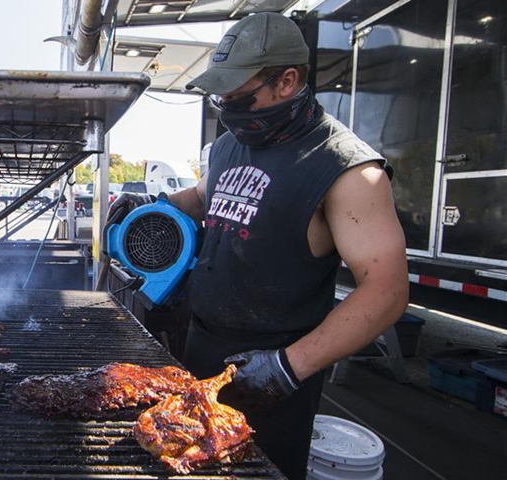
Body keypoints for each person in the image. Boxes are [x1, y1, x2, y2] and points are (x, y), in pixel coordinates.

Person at [104, 13, 408, 480]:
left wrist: (286, 368)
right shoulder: (230, 145)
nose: (227, 106)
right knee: (181, 464)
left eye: (239, 95)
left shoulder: (346, 169)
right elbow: (203, 199)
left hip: (275, 375)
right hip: (201, 343)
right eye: (220, 95)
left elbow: (386, 291)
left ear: (287, 81)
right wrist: (152, 204)